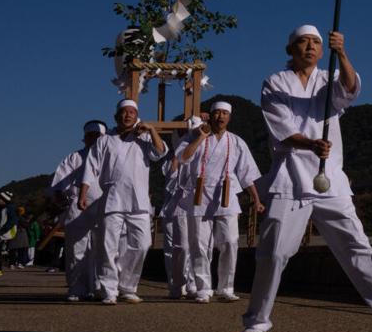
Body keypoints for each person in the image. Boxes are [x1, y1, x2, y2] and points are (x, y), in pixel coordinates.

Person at [241, 25, 372, 332]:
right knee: (274, 253)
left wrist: (342, 53)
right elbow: (281, 128)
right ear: (290, 49)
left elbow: (350, 89)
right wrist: (310, 143)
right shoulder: (274, 82)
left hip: (329, 180)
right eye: (302, 42)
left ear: (323, 50)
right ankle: (256, 321)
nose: (310, 46)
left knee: (356, 245)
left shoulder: (328, 78)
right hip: (291, 179)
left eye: (316, 42)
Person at [80, 99, 168, 304]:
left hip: (139, 200)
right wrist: (83, 194)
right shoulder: (104, 140)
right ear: (115, 116)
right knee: (108, 245)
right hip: (112, 199)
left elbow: (160, 153)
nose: (127, 115)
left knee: (143, 244)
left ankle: (128, 286)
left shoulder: (144, 138)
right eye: (124, 112)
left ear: (137, 116)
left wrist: (152, 130)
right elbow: (90, 168)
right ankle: (109, 289)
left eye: (132, 112)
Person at [178, 101, 264, 303]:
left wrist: (256, 199)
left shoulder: (236, 142)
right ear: (211, 115)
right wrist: (200, 137)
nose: (221, 117)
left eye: (225, 113)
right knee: (199, 244)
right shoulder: (195, 136)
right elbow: (183, 158)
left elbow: (246, 174)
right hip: (199, 194)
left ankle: (226, 287)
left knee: (230, 241)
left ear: (229, 117)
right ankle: (203, 288)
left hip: (226, 194)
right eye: (217, 113)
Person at [50, 120, 106, 301]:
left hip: (104, 204)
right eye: (90, 136)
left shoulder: (110, 157)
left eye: (98, 136)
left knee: (102, 247)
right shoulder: (75, 157)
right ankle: (77, 287)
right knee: (76, 248)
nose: (94, 139)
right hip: (77, 205)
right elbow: (59, 181)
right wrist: (58, 194)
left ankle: (98, 286)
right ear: (84, 138)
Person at [159, 117, 201, 300]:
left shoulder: (202, 157)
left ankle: (192, 284)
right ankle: (176, 284)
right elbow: (171, 180)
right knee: (177, 247)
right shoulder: (170, 161)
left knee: (196, 245)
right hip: (172, 209)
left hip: (195, 206)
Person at [0, 192, 18, 276]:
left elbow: (13, 221)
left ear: (5, 200)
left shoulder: (9, 208)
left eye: (1, 199)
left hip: (3, 233)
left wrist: (3, 230)